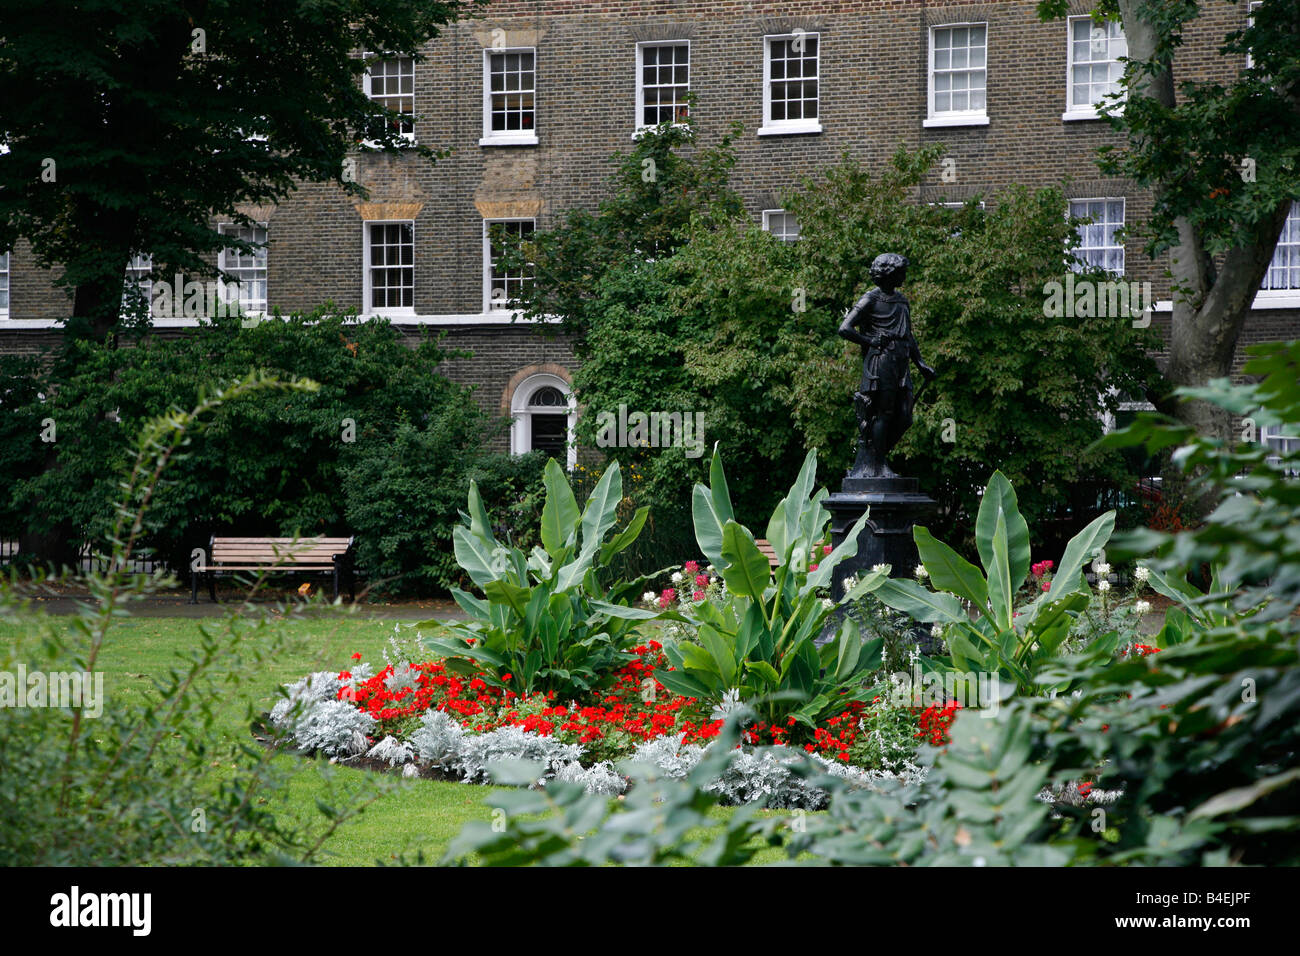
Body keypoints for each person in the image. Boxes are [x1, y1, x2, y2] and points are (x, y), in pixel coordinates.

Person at [838, 253, 936, 479]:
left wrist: (920, 364)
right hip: (881, 361)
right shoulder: (870, 299)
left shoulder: (901, 300)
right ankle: (878, 466)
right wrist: (870, 341)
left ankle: (875, 457)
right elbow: (845, 328)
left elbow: (907, 335)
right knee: (884, 413)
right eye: (901, 272)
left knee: (905, 417)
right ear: (889, 274)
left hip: (901, 362)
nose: (904, 276)